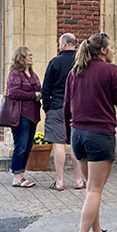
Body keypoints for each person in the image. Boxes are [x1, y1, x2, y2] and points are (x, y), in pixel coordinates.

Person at [64, 33, 117, 232]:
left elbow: (67, 107)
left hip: (77, 134)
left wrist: (69, 135)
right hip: (99, 134)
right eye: (112, 47)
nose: (114, 51)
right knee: (95, 189)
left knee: (91, 188)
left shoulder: (74, 72)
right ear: (102, 50)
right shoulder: (110, 71)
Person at [41, 33, 85, 191]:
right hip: (77, 107)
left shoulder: (55, 62)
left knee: (59, 144)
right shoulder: (81, 63)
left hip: (57, 106)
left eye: (60, 43)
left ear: (64, 44)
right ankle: (79, 180)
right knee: (75, 145)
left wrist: (47, 107)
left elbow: (46, 88)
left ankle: (59, 181)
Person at [6, 47, 42, 187]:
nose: (31, 57)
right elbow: (14, 92)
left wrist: (40, 94)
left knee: (27, 146)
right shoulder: (16, 74)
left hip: (33, 114)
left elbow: (39, 88)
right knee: (20, 146)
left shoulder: (32, 74)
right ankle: (17, 176)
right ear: (21, 57)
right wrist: (33, 95)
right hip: (21, 115)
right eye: (28, 55)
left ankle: (21, 174)